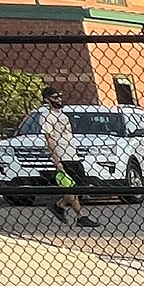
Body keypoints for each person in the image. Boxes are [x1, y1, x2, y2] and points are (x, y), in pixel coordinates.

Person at [35, 87, 99, 228]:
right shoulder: (47, 116)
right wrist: (56, 160)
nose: (58, 99)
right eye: (55, 97)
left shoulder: (63, 115)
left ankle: (59, 205)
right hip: (62, 156)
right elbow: (49, 139)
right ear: (47, 99)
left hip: (72, 155)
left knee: (78, 186)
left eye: (59, 96)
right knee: (71, 187)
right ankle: (80, 216)